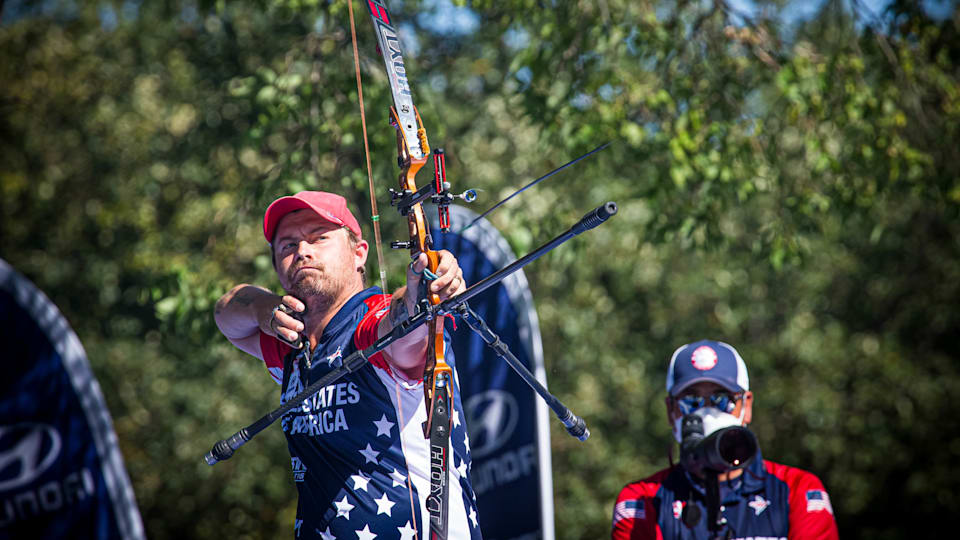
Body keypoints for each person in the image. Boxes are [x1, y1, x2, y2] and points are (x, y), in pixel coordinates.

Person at [214, 191, 482, 540]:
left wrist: (422, 290)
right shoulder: (291, 344)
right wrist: (263, 310)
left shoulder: (369, 325)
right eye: (288, 245)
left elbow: (404, 328)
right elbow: (225, 311)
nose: (303, 251)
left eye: (319, 238)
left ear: (359, 254)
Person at [612, 340, 839, 539]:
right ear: (671, 411)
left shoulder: (797, 491)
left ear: (746, 406)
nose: (708, 412)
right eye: (691, 401)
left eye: (723, 399)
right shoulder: (643, 499)